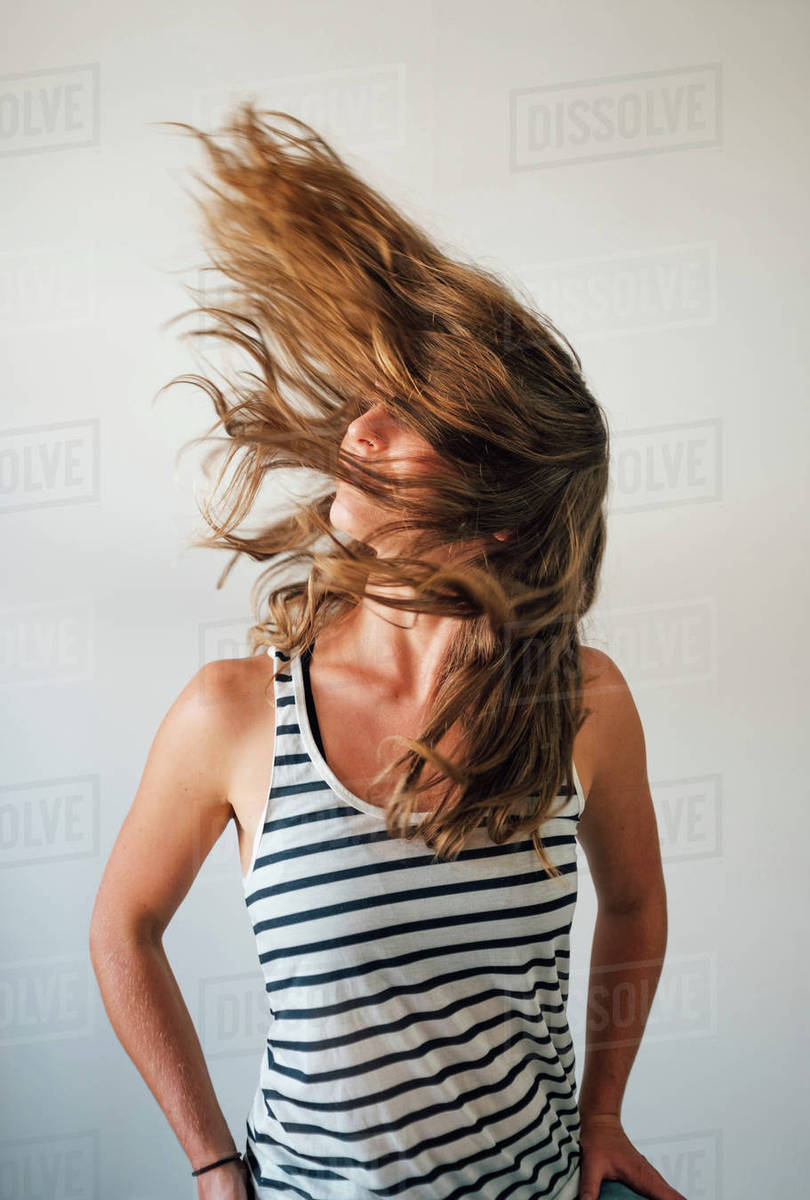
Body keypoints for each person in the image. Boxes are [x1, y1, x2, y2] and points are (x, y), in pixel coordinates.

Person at [89, 105, 686, 1200]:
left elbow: (638, 904)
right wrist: (217, 1169)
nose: (356, 432)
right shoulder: (232, 714)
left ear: (494, 506)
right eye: (371, 398)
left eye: (402, 418)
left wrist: (603, 1113)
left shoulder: (583, 702)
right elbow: (123, 928)